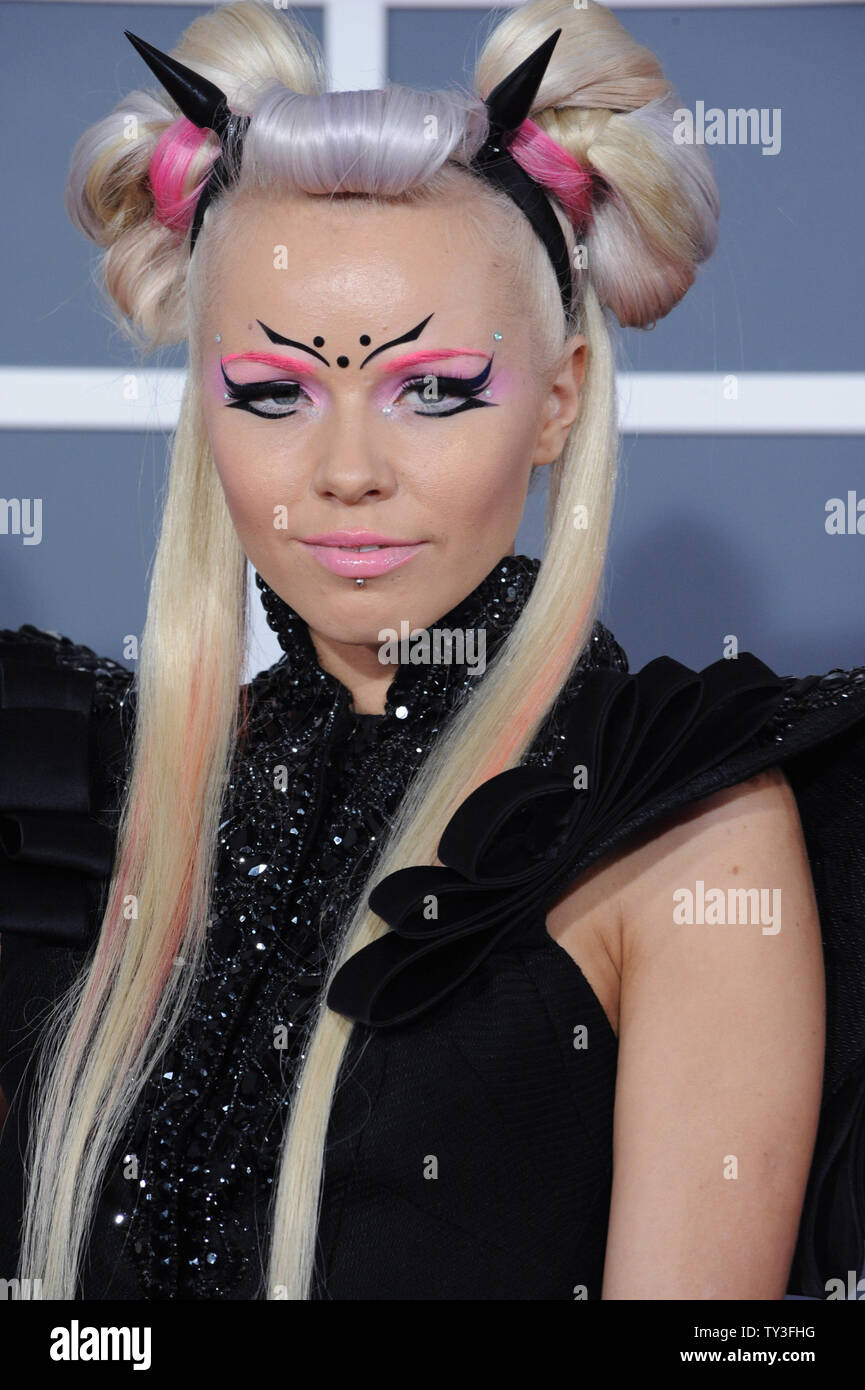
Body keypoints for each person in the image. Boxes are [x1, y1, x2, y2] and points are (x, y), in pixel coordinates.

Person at [1, 0, 863, 1302]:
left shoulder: (682, 829)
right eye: (275, 391)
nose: (347, 470)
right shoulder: (99, 799)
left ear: (557, 397)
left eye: (435, 388)